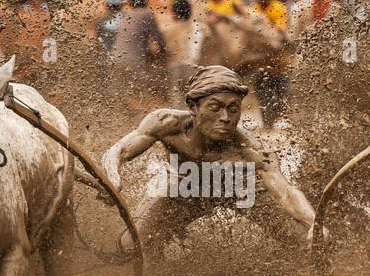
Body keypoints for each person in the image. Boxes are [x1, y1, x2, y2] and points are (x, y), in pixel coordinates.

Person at [100, 65, 317, 252]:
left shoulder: (249, 149)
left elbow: (286, 192)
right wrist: (111, 176)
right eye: (215, 107)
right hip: (187, 189)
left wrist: (314, 223)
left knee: (304, 240)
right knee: (131, 245)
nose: (225, 118)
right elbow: (119, 150)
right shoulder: (165, 123)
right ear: (193, 108)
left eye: (233, 110)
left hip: (238, 188)